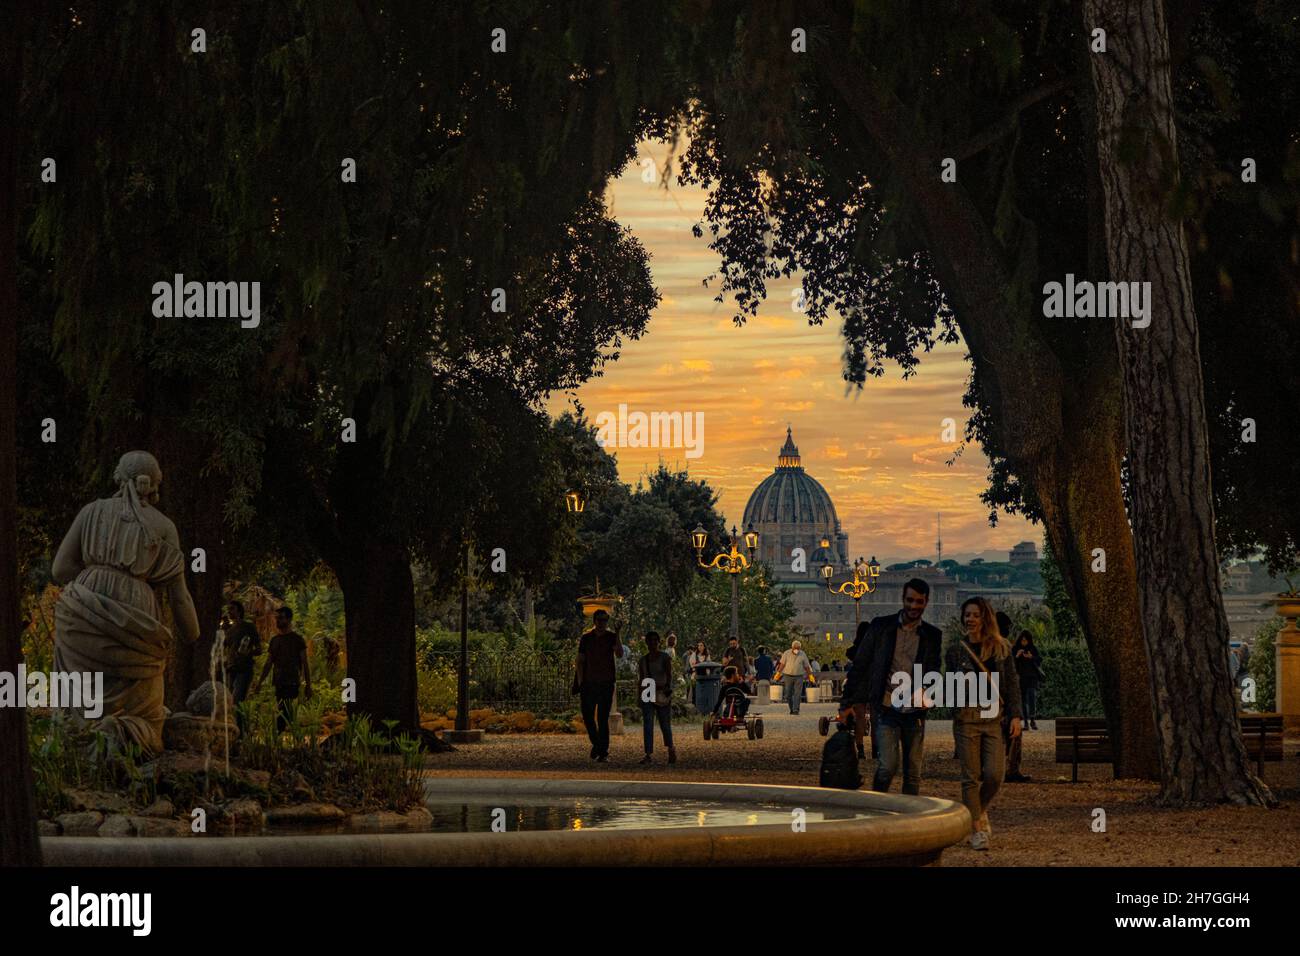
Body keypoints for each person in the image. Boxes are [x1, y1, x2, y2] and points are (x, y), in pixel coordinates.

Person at [52, 451, 200, 755]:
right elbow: (180, 595)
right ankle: (125, 734)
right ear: (154, 484)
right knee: (144, 711)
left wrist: (94, 584)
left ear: (119, 477)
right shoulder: (163, 526)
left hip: (85, 606)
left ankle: (80, 745)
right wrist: (193, 635)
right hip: (137, 611)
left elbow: (60, 569)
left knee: (78, 694)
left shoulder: (91, 512)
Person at [838, 578, 942, 793]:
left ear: (926, 602)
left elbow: (933, 668)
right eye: (910, 600)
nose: (914, 606)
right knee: (888, 766)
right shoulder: (881, 627)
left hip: (915, 711)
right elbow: (861, 665)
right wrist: (846, 703)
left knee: (914, 772)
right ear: (903, 599)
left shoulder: (932, 635)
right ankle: (878, 806)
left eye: (919, 602)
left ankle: (909, 821)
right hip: (886, 706)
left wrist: (928, 691)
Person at [946, 597, 1022, 850]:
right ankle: (977, 830)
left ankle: (977, 811)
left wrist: (1016, 716)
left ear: (985, 618)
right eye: (967, 614)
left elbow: (1012, 684)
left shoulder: (1002, 648)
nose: (970, 619)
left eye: (975, 615)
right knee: (970, 776)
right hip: (966, 718)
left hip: (993, 719)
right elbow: (951, 685)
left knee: (994, 775)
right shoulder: (956, 650)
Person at [254, 606, 312, 733]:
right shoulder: (275, 640)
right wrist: (259, 682)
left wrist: (308, 685)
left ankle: (279, 733)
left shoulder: (297, 640)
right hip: (279, 681)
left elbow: (305, 663)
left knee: (285, 708)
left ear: (289, 619)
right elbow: (268, 663)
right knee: (283, 708)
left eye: (281, 618)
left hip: (292, 681)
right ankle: (284, 733)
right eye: (277, 618)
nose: (278, 621)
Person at [574, 609, 623, 762]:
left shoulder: (611, 637)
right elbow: (580, 660)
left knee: (602, 718)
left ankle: (603, 751)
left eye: (605, 620)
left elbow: (620, 653)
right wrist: (581, 681)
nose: (602, 623)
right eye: (600, 620)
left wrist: (618, 633)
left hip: (606, 682)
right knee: (588, 717)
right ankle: (597, 744)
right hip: (589, 682)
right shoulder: (586, 638)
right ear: (594, 621)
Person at [637, 631, 676, 764]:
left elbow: (669, 675)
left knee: (665, 724)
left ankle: (671, 748)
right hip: (648, 692)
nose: (653, 643)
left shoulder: (664, 658)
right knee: (648, 724)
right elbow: (641, 679)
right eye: (650, 640)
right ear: (646, 643)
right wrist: (640, 696)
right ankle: (648, 754)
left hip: (661, 692)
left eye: (655, 640)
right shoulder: (643, 660)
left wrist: (667, 689)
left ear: (659, 642)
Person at [223, 600, 262, 721]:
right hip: (231, 669)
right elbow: (225, 647)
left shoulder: (248, 627)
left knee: (237, 700)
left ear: (239, 611)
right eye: (228, 609)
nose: (229, 612)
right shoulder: (229, 630)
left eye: (232, 609)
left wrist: (248, 653)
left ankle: (241, 733)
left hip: (244, 669)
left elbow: (259, 649)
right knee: (229, 702)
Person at [1013, 630, 1044, 731]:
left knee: (1032, 696)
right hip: (1021, 677)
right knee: (1023, 700)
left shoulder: (1032, 648)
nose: (1024, 642)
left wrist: (1031, 657)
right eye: (1022, 640)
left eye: (1026, 640)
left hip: (1032, 677)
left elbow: (1039, 660)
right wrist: (1017, 656)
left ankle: (1032, 719)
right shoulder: (1016, 649)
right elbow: (1010, 664)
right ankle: (1026, 722)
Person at [776, 639, 814, 715]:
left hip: (799, 676)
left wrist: (810, 675)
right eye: (795, 648)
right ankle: (791, 708)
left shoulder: (802, 654)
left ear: (800, 648)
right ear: (792, 647)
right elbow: (782, 664)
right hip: (787, 676)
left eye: (798, 648)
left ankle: (796, 709)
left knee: (798, 693)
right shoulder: (786, 653)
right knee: (788, 694)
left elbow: (806, 666)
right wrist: (778, 673)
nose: (796, 650)